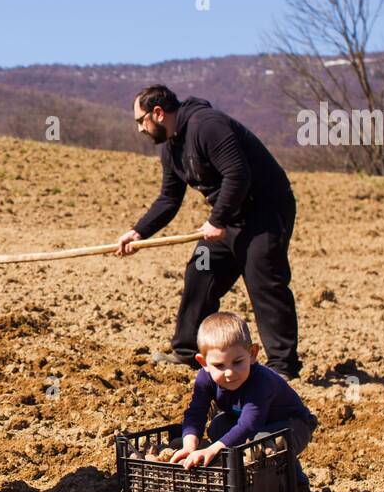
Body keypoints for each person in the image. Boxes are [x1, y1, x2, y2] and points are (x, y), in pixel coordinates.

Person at [116, 84, 303, 379]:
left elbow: (238, 174)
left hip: (265, 213)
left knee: (264, 281)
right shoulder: (172, 148)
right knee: (200, 272)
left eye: (141, 121)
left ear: (158, 113)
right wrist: (138, 232)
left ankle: (283, 367)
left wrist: (217, 220)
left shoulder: (207, 125)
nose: (140, 128)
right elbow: (169, 199)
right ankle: (188, 351)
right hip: (228, 218)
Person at [172, 312, 318, 492]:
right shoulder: (205, 379)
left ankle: (296, 485)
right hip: (252, 423)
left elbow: (249, 424)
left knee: (265, 443)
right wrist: (189, 445)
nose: (229, 373)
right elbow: (196, 412)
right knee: (218, 426)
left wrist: (212, 449)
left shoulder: (261, 382)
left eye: (237, 362)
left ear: (252, 354)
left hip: (293, 425)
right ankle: (249, 481)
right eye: (219, 365)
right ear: (203, 362)